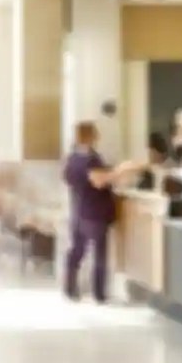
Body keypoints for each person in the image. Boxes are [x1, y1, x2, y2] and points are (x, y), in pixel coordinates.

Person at [62, 121, 144, 303]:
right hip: (95, 212)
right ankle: (99, 293)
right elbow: (98, 181)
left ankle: (70, 287)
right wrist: (120, 171)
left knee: (77, 250)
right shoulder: (90, 159)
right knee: (99, 254)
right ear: (90, 136)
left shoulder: (72, 159)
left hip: (78, 210)